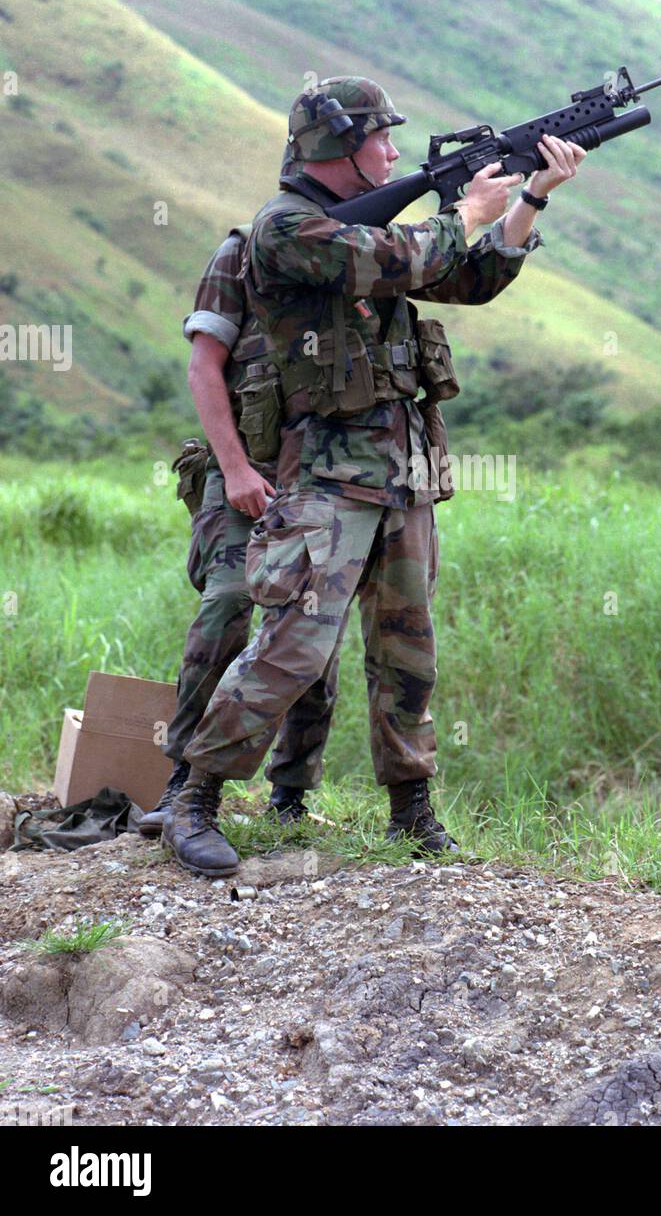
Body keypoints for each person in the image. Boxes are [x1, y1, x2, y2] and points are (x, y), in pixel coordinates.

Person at [163, 75, 586, 877]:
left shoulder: (372, 230)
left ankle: (412, 812)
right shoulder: (284, 229)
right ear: (335, 147)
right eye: (380, 139)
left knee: (407, 655)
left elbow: (469, 279)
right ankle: (195, 798)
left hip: (403, 470)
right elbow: (403, 253)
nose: (393, 151)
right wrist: (465, 211)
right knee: (291, 647)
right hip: (324, 475)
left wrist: (530, 197)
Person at [138, 229, 343, 837]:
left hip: (318, 483)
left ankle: (291, 792)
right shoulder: (243, 253)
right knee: (227, 603)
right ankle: (184, 780)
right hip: (239, 474)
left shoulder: (356, 252)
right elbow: (203, 366)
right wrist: (233, 470)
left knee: (310, 633)